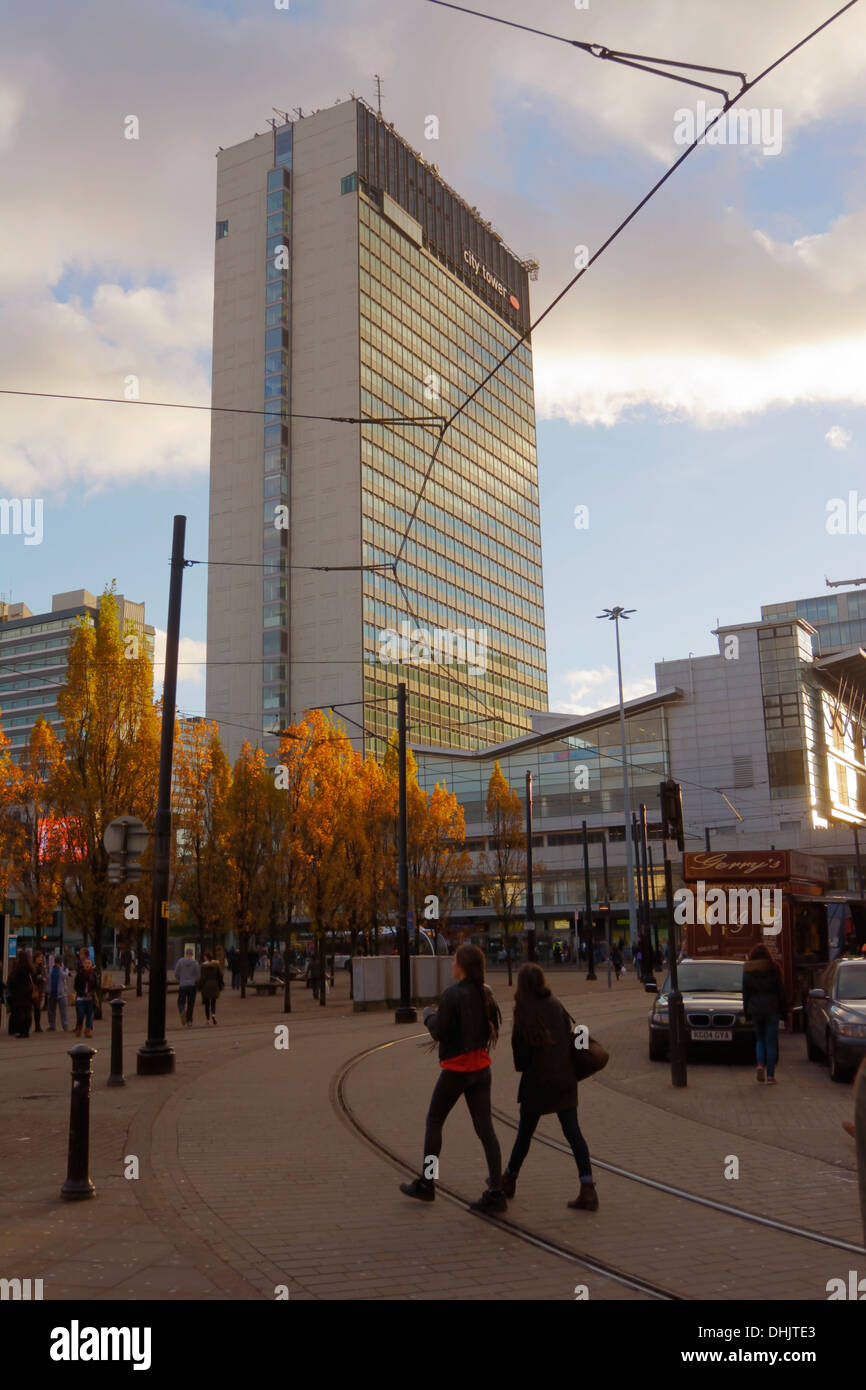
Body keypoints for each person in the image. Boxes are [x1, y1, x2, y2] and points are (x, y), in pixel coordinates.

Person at [400, 943, 506, 1212]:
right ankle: (497, 1190)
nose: (451, 965)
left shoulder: (452, 995)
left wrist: (428, 1016)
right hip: (481, 1069)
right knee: (486, 1131)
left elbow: (440, 1033)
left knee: (434, 1121)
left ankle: (428, 1182)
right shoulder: (485, 994)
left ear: (462, 966)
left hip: (457, 1071)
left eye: (454, 961)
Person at [501, 963, 599, 1211]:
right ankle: (587, 1188)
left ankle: (509, 1179)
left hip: (537, 1084)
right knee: (573, 1133)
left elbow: (520, 1061)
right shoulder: (556, 1005)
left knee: (524, 1135)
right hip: (564, 1081)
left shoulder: (524, 1011)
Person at [742, 944, 787, 1085]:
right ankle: (771, 1076)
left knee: (760, 1040)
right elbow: (781, 992)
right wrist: (784, 1012)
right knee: (771, 1042)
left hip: (755, 1009)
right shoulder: (774, 968)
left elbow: (746, 994)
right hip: (772, 1009)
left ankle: (760, 1065)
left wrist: (747, 1013)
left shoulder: (748, 970)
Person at [8, 957, 36, 1037]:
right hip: (29, 994)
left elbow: (13, 982)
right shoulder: (30, 969)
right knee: (28, 1013)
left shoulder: (18, 970)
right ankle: (26, 1031)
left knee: (20, 1013)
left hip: (19, 995)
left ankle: (21, 1031)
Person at [175, 948, 201, 1026]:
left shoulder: (180, 961)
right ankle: (189, 1020)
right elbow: (198, 976)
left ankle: (182, 1011)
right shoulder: (195, 963)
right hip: (192, 985)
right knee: (190, 1003)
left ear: (185, 953)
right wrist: (194, 980)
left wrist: (180, 978)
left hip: (182, 985)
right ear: (192, 954)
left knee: (180, 1002)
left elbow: (176, 973)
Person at [73, 955, 97, 1037]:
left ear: (91, 965)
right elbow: (75, 986)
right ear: (83, 964)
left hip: (90, 998)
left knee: (89, 1015)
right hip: (80, 998)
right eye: (86, 963)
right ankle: (79, 1027)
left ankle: (88, 1030)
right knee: (80, 1014)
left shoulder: (93, 975)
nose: (87, 965)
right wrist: (82, 992)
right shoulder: (79, 975)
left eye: (89, 963)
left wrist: (91, 992)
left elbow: (95, 987)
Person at [199, 951, 224, 1025]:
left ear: (206, 957)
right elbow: (220, 975)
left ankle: (207, 1020)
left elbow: (202, 978)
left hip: (206, 986)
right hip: (214, 985)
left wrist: (200, 986)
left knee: (207, 1003)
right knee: (213, 1002)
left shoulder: (203, 966)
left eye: (204, 956)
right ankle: (213, 1014)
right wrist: (220, 984)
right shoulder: (216, 965)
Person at [47, 955, 70, 1031]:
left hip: (62, 994)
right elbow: (48, 979)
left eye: (59, 962)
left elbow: (64, 976)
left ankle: (65, 1025)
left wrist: (60, 968)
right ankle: (52, 1025)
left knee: (63, 1011)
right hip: (52, 993)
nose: (57, 964)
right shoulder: (51, 969)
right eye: (56, 962)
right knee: (51, 1011)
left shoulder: (64, 969)